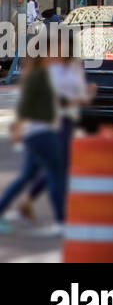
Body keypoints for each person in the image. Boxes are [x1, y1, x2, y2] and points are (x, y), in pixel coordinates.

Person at [0, 42, 64, 232]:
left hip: (35, 132)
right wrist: (18, 128)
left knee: (28, 175)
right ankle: (61, 221)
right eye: (55, 53)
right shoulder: (41, 76)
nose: (59, 56)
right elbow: (27, 106)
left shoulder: (38, 75)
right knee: (56, 174)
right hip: (41, 132)